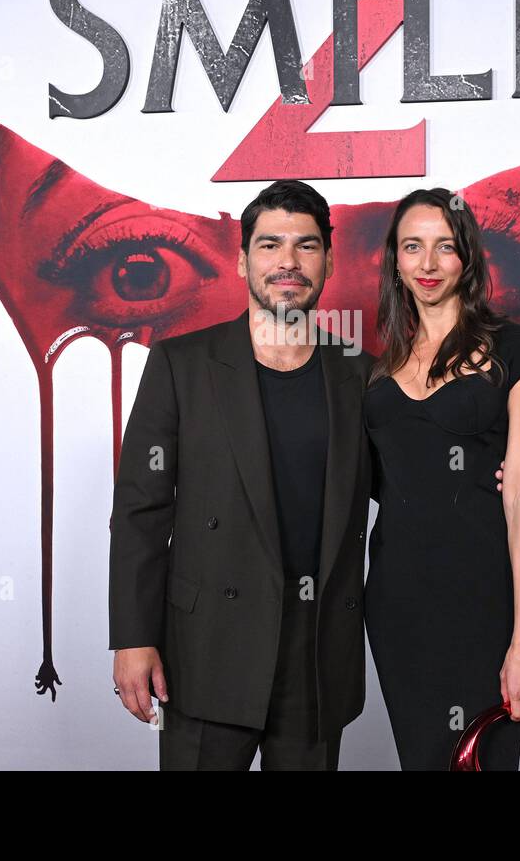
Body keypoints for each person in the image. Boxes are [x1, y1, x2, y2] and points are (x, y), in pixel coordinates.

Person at [108, 179, 375, 770]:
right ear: (241, 260)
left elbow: (405, 484)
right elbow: (139, 513)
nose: (288, 262)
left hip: (315, 651)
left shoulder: (359, 372)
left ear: (328, 261)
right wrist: (132, 636)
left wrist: (486, 470)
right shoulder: (181, 364)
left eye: (306, 246)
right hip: (205, 647)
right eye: (270, 245)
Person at [363, 187, 520, 770]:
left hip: (488, 597)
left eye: (444, 248)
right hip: (399, 602)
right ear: (395, 262)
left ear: (467, 258)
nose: (427, 264)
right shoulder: (377, 370)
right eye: (412, 248)